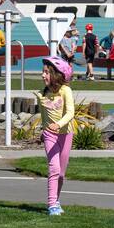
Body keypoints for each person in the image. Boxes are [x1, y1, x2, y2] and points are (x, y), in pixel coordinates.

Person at [35, 55, 75, 216]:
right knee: (54, 169)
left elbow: (70, 112)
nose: (42, 75)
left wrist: (58, 124)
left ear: (56, 74)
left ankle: (56, 201)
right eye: (42, 72)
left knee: (61, 173)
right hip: (50, 135)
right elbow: (44, 117)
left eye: (46, 72)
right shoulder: (42, 93)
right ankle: (51, 204)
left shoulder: (66, 91)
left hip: (65, 134)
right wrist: (44, 132)